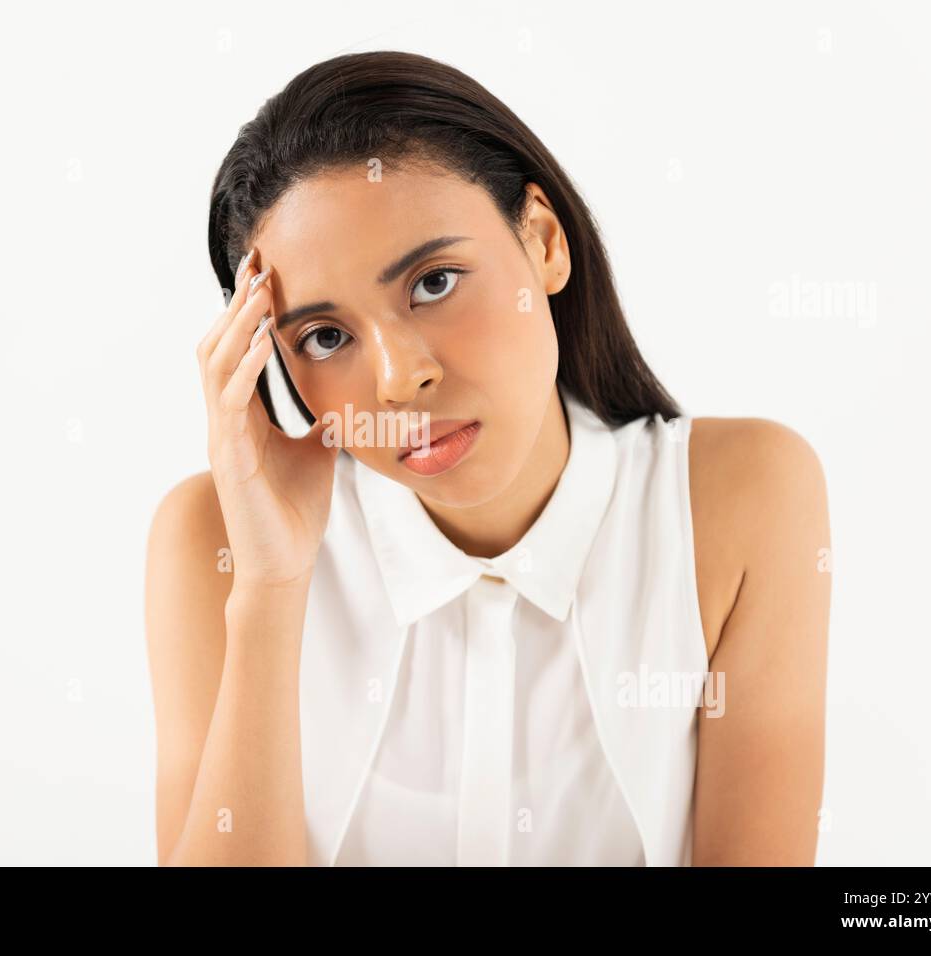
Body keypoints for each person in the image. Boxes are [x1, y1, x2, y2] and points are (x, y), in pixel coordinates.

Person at [145, 50, 830, 866]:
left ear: (542, 241)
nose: (400, 381)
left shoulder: (741, 497)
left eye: (433, 283)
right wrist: (270, 588)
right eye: (325, 337)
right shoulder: (214, 546)